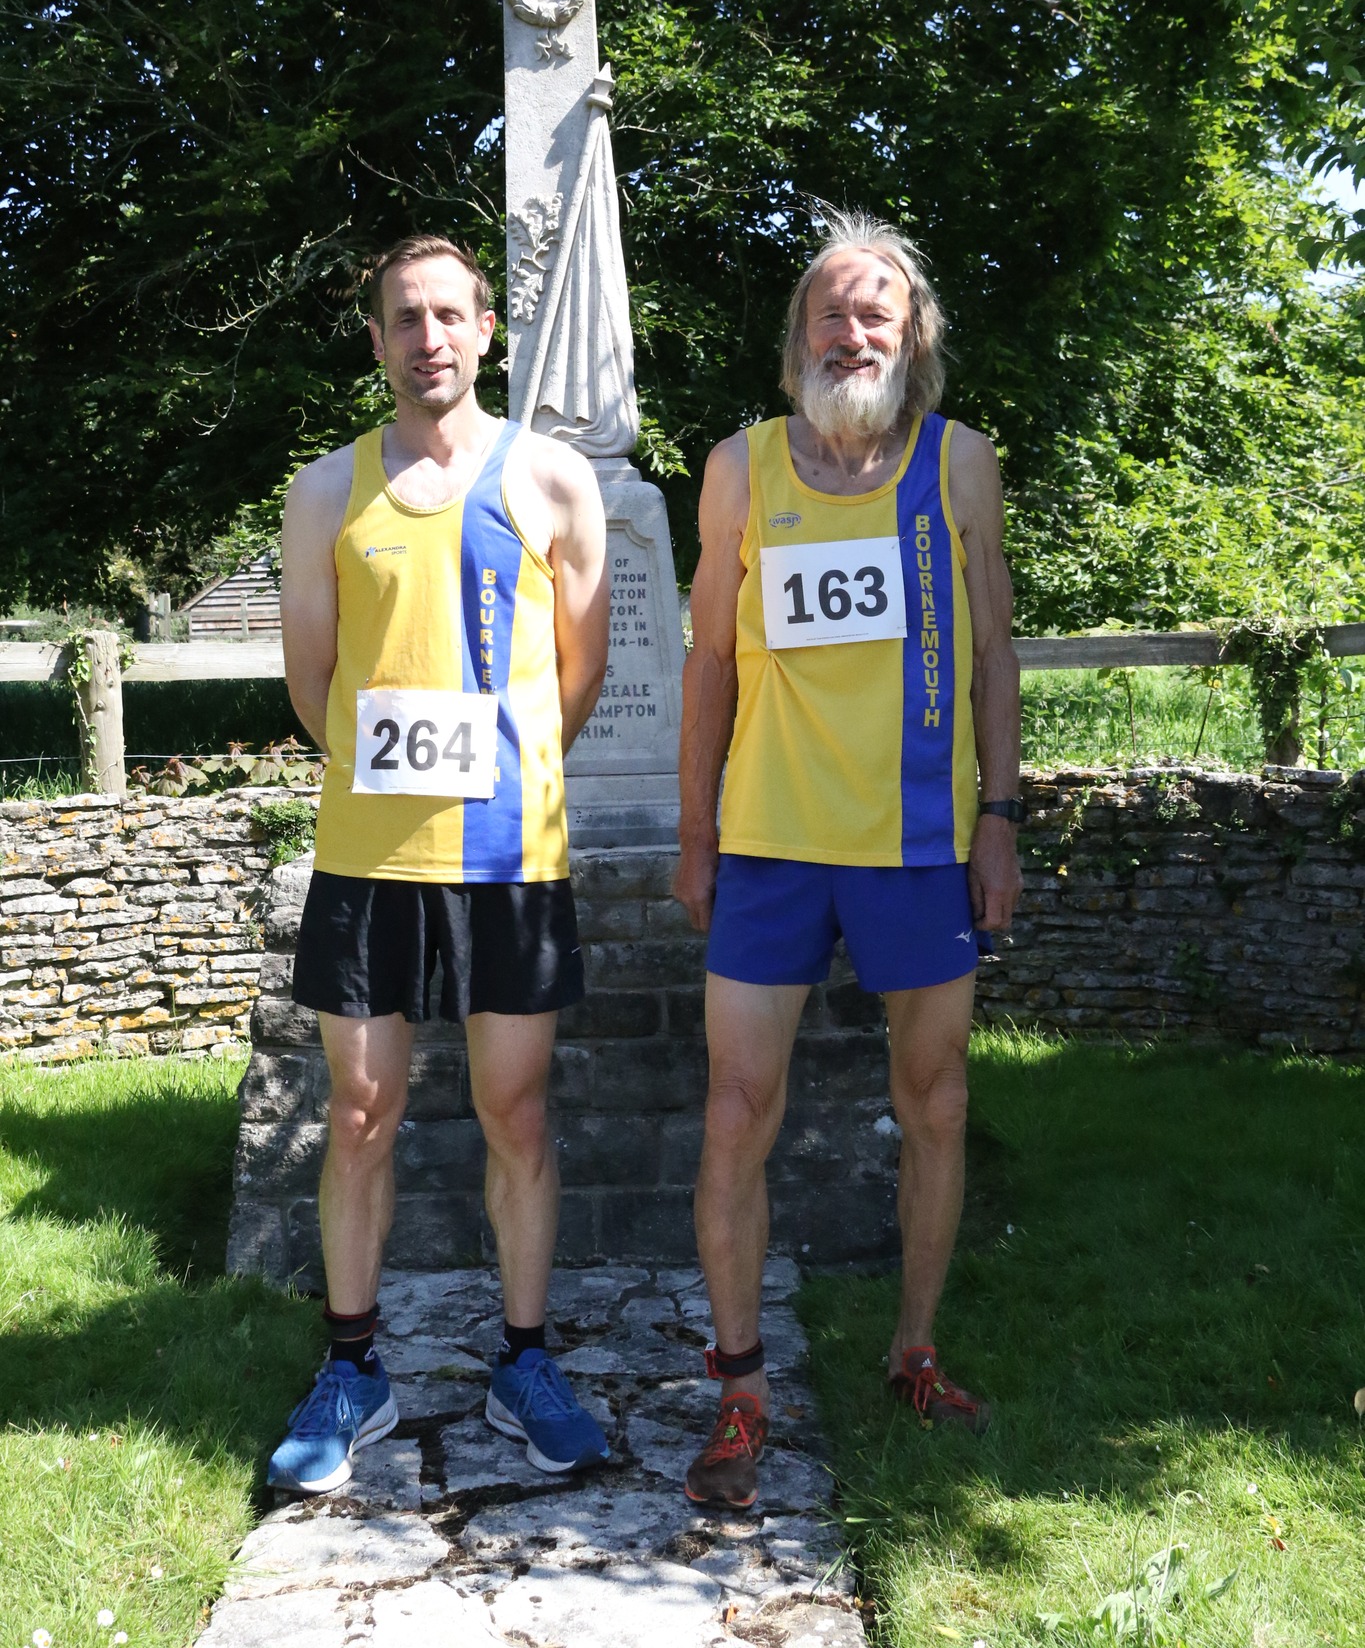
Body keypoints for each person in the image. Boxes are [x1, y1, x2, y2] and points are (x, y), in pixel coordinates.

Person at [673, 208, 1022, 1510]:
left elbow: (993, 655)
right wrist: (697, 830)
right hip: (767, 846)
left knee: (934, 1102)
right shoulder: (736, 469)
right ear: (796, 337)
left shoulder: (958, 465)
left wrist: (1002, 819)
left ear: (911, 336)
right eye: (831, 309)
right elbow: (709, 661)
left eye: (876, 312)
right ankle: (743, 1391)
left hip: (919, 848)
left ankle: (913, 1353)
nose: (852, 329)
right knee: (730, 1113)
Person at [268, 233, 611, 1493]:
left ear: (485, 329)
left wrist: (495, 764)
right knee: (360, 1114)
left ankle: (523, 1357)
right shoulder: (323, 493)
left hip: (511, 856)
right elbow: (313, 682)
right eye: (405, 317)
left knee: (516, 1111)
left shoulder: (558, 480)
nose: (430, 336)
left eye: (450, 313)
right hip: (367, 858)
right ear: (376, 339)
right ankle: (354, 1365)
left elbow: (577, 678)